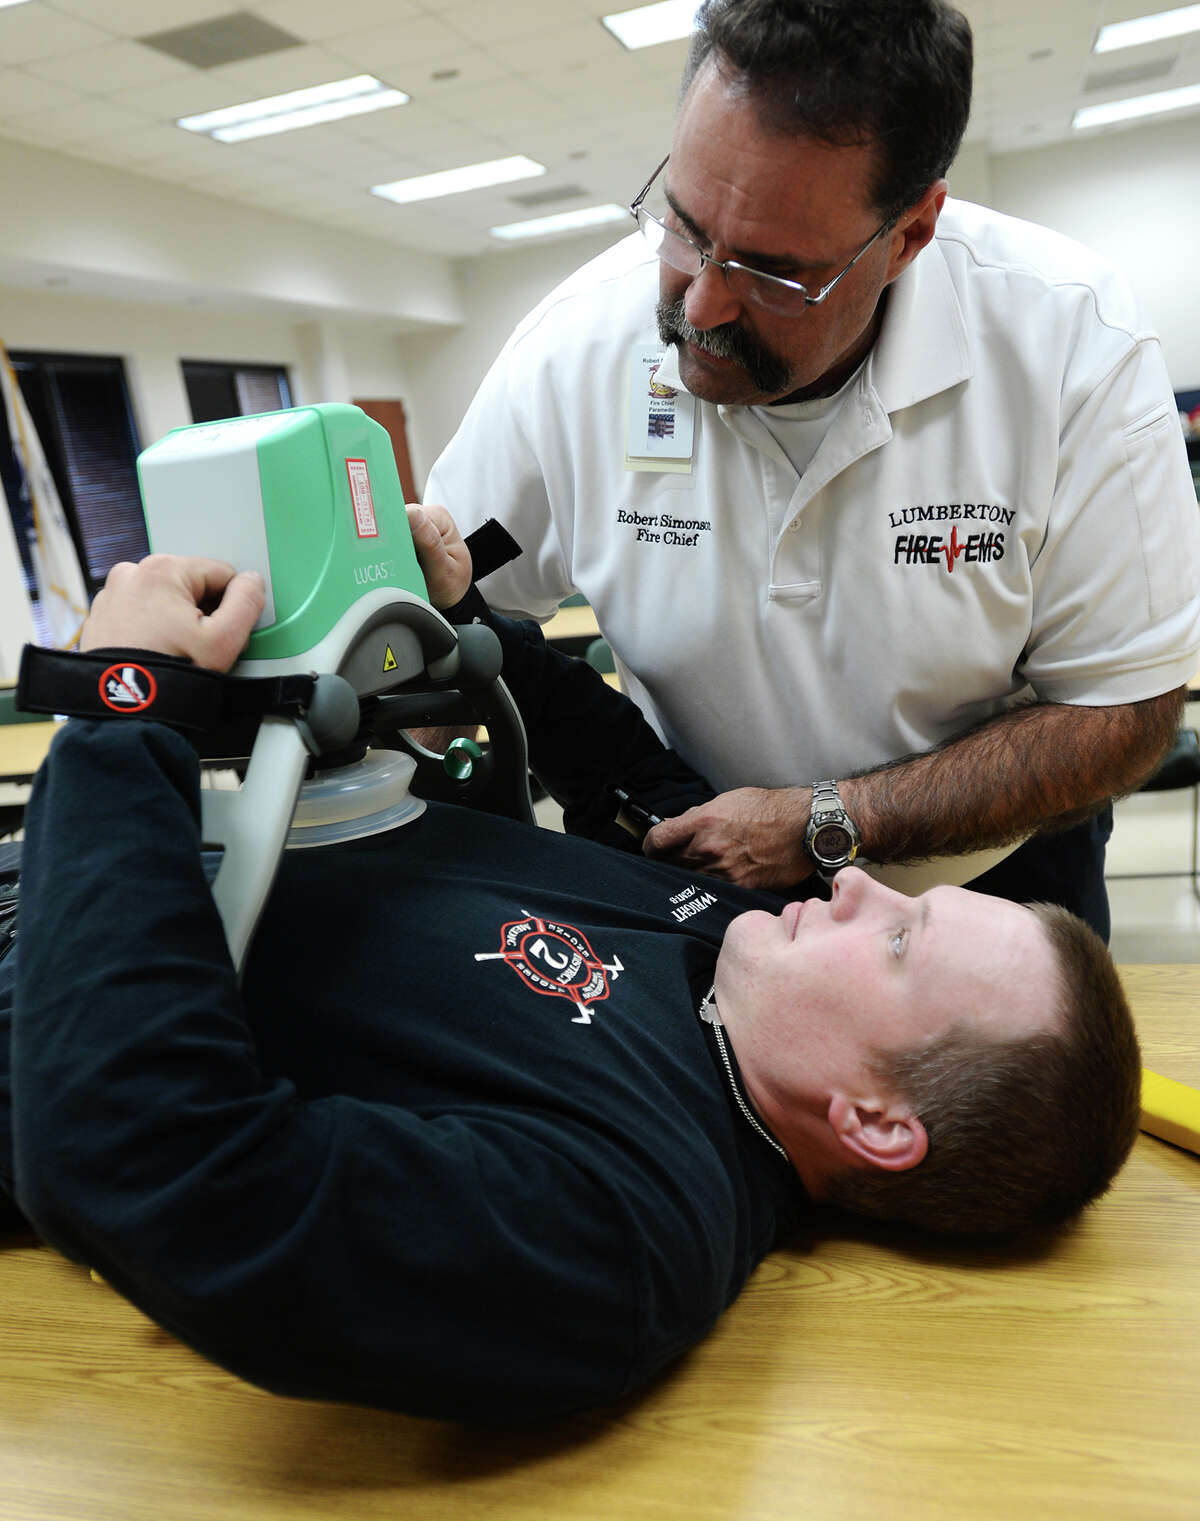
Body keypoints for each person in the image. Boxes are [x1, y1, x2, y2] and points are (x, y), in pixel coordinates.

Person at [0, 547, 1141, 1422]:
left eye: (900, 944)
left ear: (877, 1124)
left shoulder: (619, 1234)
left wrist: (121, 708)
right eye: (909, 900)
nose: (861, 892)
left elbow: (155, 1166)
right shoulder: (746, 935)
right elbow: (625, 767)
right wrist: (449, 615)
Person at [423, 0, 1200, 940]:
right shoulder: (574, 352)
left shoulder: (1069, 344)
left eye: (776, 275)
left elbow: (1122, 711)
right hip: (688, 883)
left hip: (986, 895)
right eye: (684, 227)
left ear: (910, 234)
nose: (699, 303)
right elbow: (453, 604)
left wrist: (836, 822)